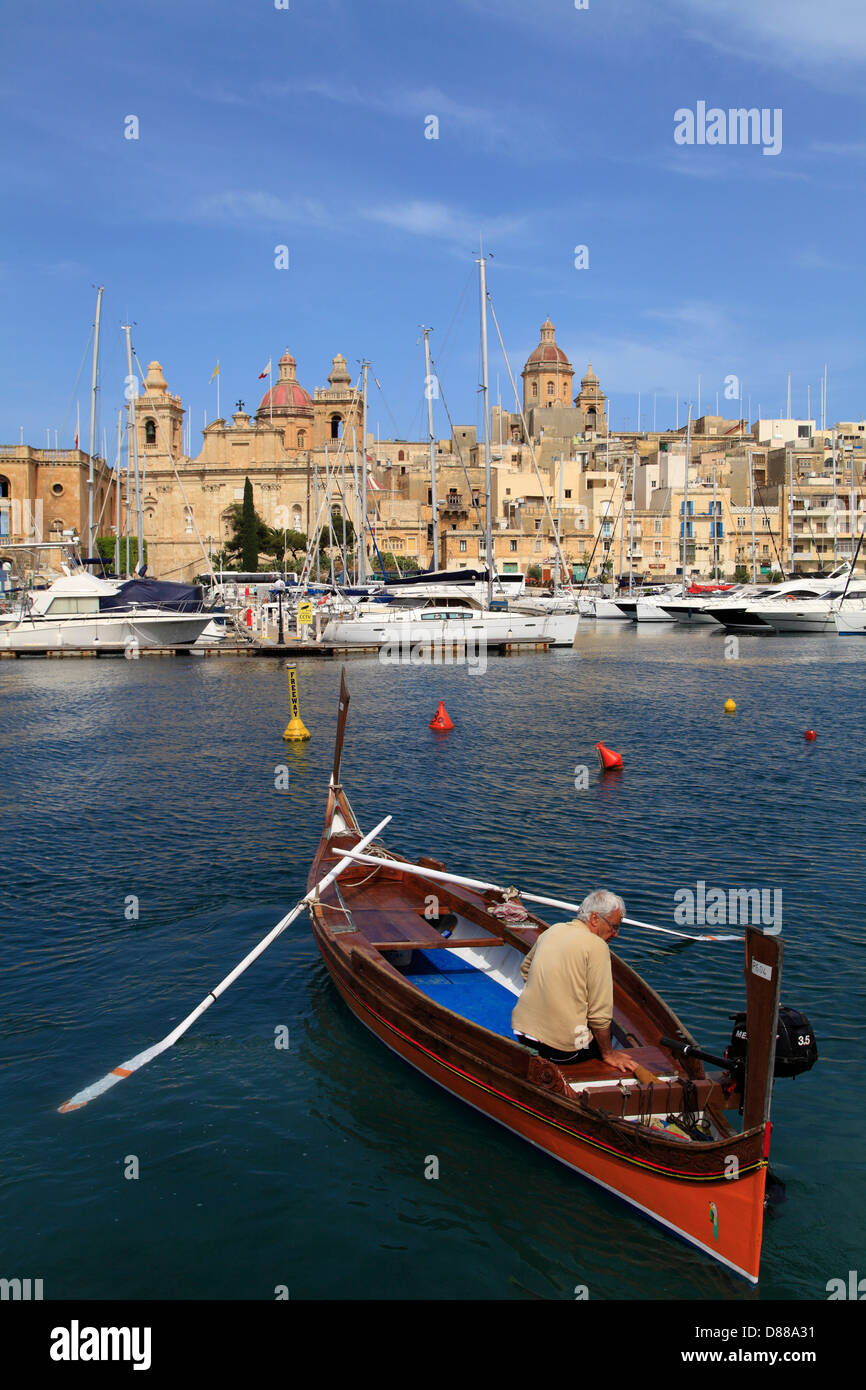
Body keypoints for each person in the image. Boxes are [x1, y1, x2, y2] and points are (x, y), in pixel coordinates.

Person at [512, 889, 638, 1074]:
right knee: (604, 1035)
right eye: (614, 926)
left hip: (523, 1033)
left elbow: (525, 970)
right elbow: (600, 1016)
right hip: (561, 1051)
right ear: (595, 918)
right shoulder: (597, 947)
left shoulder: (554, 930)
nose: (616, 934)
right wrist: (609, 1055)